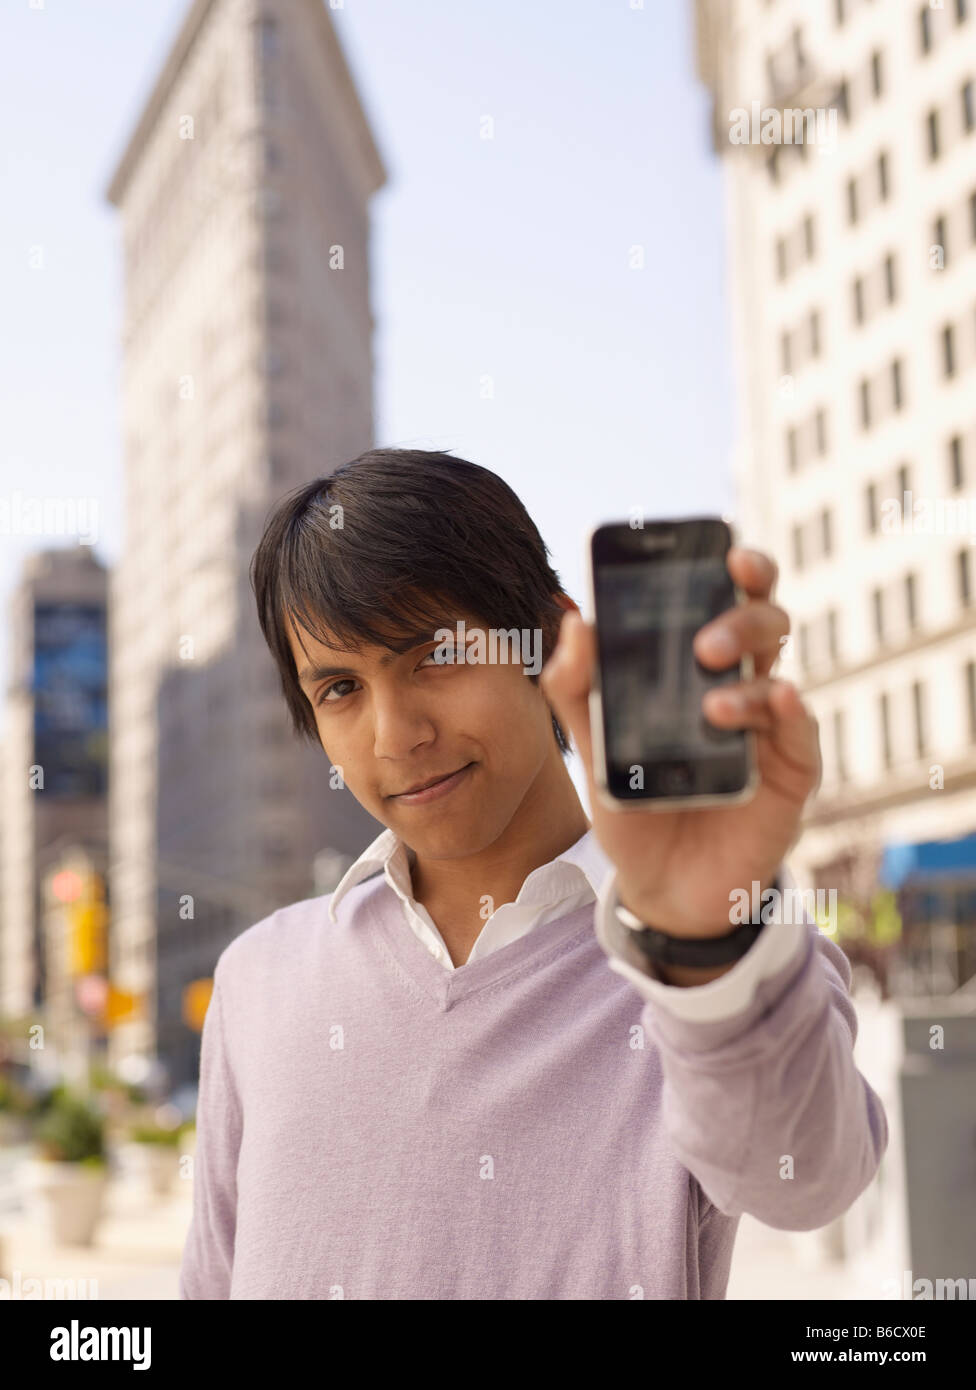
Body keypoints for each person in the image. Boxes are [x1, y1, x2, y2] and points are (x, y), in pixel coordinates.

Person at [178, 447, 887, 1300]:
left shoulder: (712, 959)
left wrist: (705, 942)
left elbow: (806, 1182)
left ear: (547, 640)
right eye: (339, 688)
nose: (394, 735)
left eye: (433, 655)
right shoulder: (260, 979)